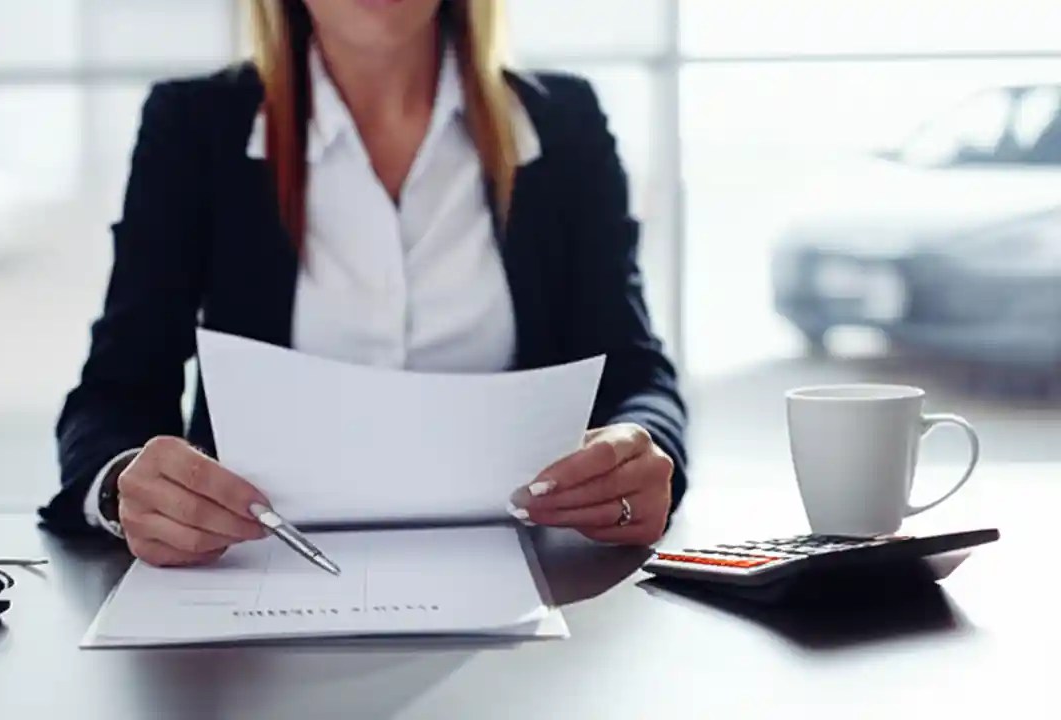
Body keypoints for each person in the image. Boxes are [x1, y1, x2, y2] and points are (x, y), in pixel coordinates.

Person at [39, 0, 688, 567]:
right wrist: (125, 486)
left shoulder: (562, 124)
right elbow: (115, 394)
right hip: (252, 589)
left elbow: (635, 376)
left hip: (529, 584)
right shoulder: (195, 128)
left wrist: (642, 454)